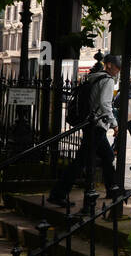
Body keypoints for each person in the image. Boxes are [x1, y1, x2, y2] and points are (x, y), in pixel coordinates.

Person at [47, 54, 124, 207]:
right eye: (116, 66)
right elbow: (105, 104)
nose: (118, 70)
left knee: (108, 156)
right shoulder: (107, 80)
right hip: (97, 125)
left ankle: (112, 188)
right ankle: (58, 194)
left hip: (91, 124)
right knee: (80, 162)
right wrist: (115, 124)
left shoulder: (94, 77)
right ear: (108, 65)